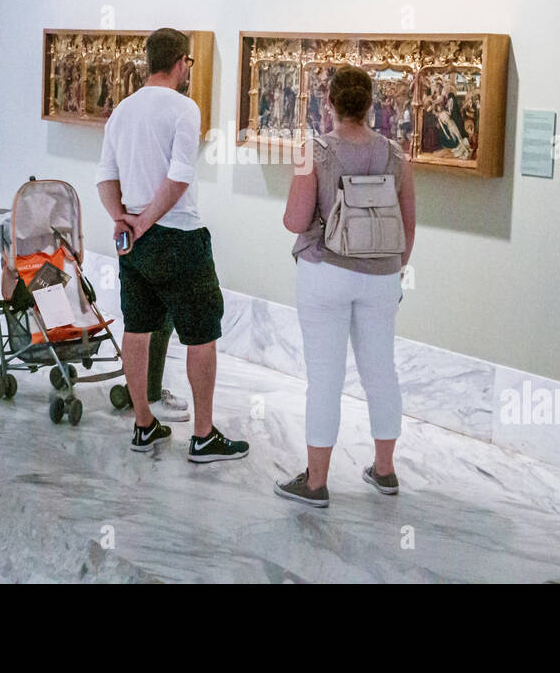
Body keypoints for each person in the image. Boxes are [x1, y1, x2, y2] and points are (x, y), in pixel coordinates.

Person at [96, 28, 248, 461]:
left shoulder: (122, 110)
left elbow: (104, 178)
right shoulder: (184, 108)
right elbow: (180, 176)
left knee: (138, 328)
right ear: (181, 62)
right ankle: (203, 436)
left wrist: (122, 219)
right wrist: (144, 220)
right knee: (200, 334)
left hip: (135, 243)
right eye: (189, 65)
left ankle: (143, 424)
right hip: (179, 236)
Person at [277, 66, 416, 507]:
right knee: (381, 371)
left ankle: (316, 483)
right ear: (371, 105)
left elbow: (295, 221)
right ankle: (385, 470)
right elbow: (407, 225)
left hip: (325, 272)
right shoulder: (397, 155)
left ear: (330, 103)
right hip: (381, 275)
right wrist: (392, 270)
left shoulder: (311, 150)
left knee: (324, 378)